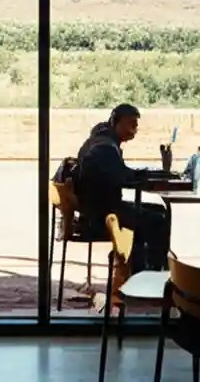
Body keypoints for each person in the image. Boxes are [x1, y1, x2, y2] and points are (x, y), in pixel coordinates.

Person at [73, 103, 169, 272]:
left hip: (94, 209)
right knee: (157, 220)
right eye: (131, 123)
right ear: (116, 122)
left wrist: (141, 174)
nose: (135, 128)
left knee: (156, 211)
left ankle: (140, 266)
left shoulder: (100, 140)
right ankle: (150, 271)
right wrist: (146, 177)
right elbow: (122, 178)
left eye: (136, 124)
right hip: (101, 215)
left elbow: (118, 173)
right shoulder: (105, 148)